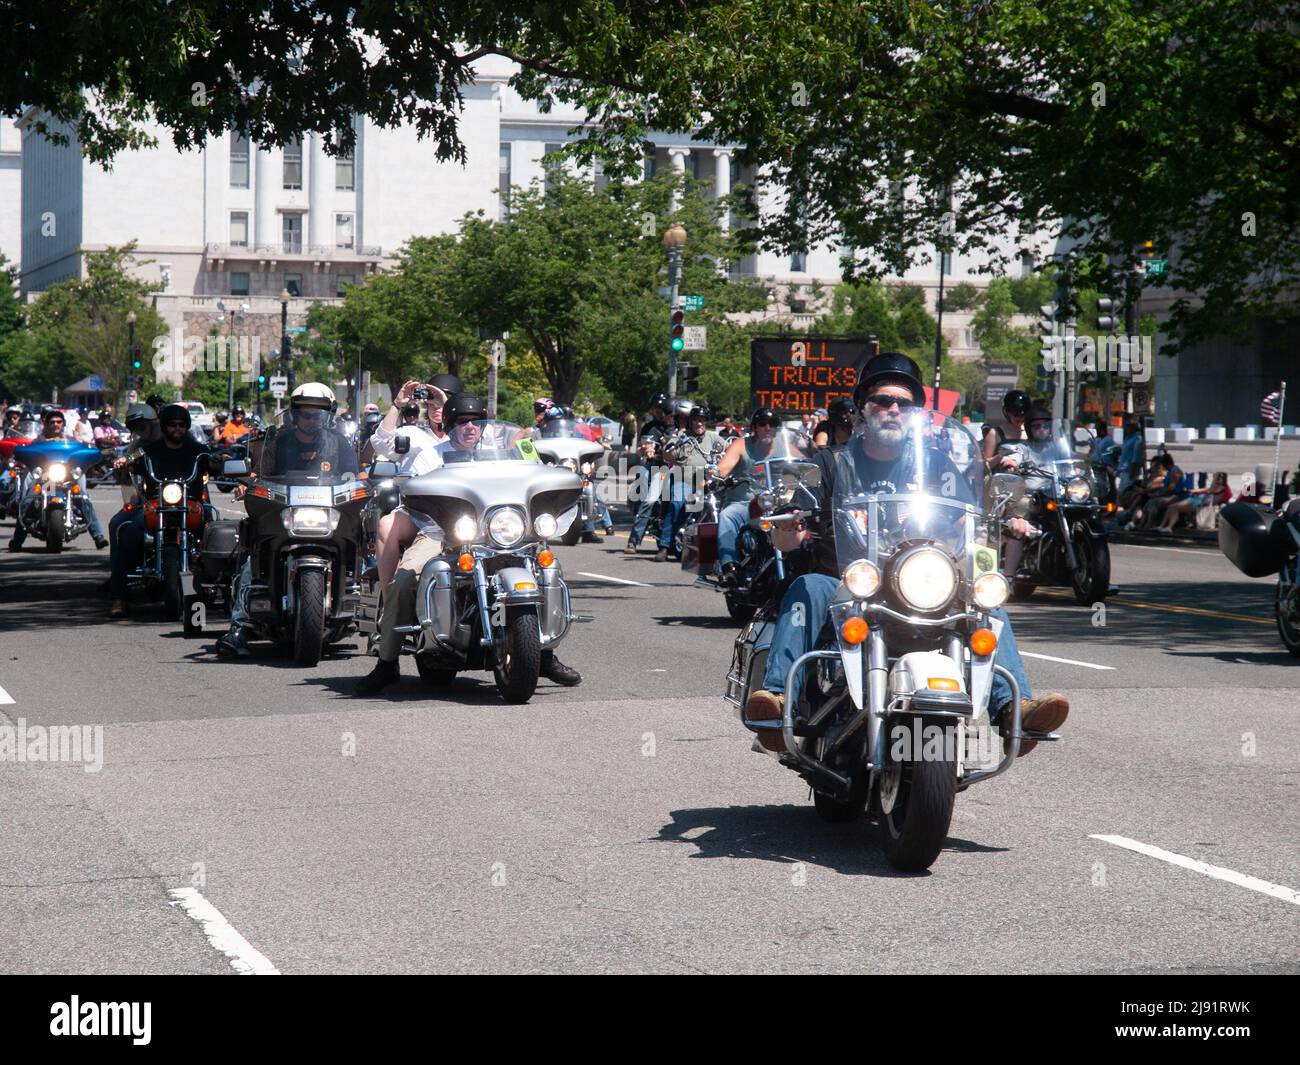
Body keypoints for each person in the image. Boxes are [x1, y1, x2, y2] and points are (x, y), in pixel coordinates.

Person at [744, 351, 1068, 756]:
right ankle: (777, 703)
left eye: (905, 403)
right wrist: (789, 523)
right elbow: (792, 521)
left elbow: (967, 514)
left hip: (921, 581)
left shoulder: (936, 463)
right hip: (848, 583)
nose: (894, 409)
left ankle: (1012, 709)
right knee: (807, 586)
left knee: (986, 599)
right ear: (865, 407)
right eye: (883, 400)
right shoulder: (831, 462)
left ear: (916, 413)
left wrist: (1002, 519)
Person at [357, 392, 582, 694]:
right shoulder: (432, 456)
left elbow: (534, 471)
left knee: (547, 567)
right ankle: (387, 662)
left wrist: (559, 474)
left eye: (476, 421)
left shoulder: (504, 452)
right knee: (405, 578)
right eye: (462, 422)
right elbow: (411, 492)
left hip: (496, 532)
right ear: (450, 425)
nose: (470, 427)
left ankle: (543, 654)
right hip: (440, 533)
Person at [215, 383, 357, 654]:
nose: (311, 420)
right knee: (253, 552)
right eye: (306, 414)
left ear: (327, 416)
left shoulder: (338, 443)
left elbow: (355, 476)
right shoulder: (279, 440)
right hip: (284, 511)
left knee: (363, 547)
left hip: (327, 512)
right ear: (294, 415)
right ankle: (237, 628)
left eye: (317, 415)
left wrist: (367, 485)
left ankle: (379, 628)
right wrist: (250, 482)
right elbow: (262, 473)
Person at [107, 404, 212, 616]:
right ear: (164, 427)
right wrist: (123, 463)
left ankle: (217, 584)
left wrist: (223, 462)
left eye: (182, 425)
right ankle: (120, 596)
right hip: (156, 506)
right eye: (172, 425)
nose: (177, 429)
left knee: (214, 531)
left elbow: (214, 462)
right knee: (128, 534)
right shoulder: (148, 451)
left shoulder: (198, 451)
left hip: (191, 505)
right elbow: (131, 461)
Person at [369, 379, 450, 591]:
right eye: (431, 404)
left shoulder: (469, 437)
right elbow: (379, 443)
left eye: (441, 404)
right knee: (386, 525)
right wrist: (397, 405)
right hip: (420, 515)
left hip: (462, 515)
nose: (436, 409)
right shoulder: (413, 434)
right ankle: (389, 603)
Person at [9, 408, 109, 552]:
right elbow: (27, 453)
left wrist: (91, 453)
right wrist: (22, 453)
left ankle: (98, 535)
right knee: (29, 499)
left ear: (63, 423)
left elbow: (81, 451)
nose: (56, 424)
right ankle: (17, 539)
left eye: (59, 421)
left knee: (83, 498)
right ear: (47, 424)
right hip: (44, 477)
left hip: (67, 475)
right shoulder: (38, 441)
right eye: (52, 422)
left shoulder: (70, 440)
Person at [713, 407, 783, 587]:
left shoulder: (785, 447)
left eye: (773, 424)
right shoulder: (741, 445)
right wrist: (716, 475)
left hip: (776, 504)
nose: (768, 428)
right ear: (754, 427)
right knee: (727, 516)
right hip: (744, 503)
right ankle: (730, 567)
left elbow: (805, 462)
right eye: (763, 424)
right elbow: (723, 468)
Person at [625, 393, 674, 554]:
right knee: (649, 499)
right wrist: (643, 450)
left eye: (659, 409)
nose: (657, 412)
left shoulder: (677, 428)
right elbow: (639, 451)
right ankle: (633, 541)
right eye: (655, 410)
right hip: (655, 467)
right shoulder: (649, 427)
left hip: (671, 468)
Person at [1156, 471, 1229, 533]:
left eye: (1219, 478)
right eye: (1217, 477)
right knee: (1171, 506)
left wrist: (1214, 481)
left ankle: (1169, 527)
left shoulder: (1221, 487)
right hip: (1198, 499)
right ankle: (1162, 526)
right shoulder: (1216, 486)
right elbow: (1207, 489)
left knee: (1174, 507)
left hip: (1200, 502)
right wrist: (1193, 491)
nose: (1217, 479)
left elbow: (1212, 490)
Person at [982, 389, 1030, 472]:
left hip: (1028, 480)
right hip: (1002, 482)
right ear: (1006, 412)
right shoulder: (995, 433)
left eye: (1024, 414)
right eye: (1016, 414)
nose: (1020, 418)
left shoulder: (1030, 431)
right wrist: (1000, 455)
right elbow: (983, 466)